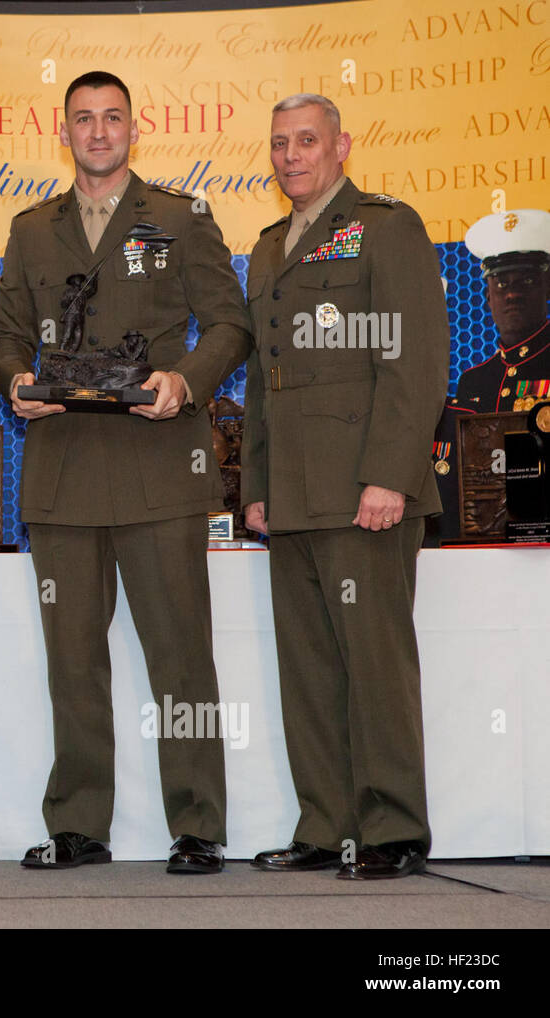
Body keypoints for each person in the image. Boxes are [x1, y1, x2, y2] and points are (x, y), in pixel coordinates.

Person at [0, 71, 251, 874]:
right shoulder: (32, 229)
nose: (98, 132)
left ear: (135, 128)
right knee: (72, 661)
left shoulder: (179, 217)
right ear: (60, 131)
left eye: (111, 118)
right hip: (64, 477)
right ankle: (77, 826)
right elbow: (2, 334)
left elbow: (231, 323)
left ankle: (198, 824)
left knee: (181, 658)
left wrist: (186, 381)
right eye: (83, 120)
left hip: (160, 470)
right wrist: (13, 383)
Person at [241, 94, 449, 879]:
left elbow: (416, 359)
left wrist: (389, 477)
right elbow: (266, 382)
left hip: (365, 491)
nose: (291, 156)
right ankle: (327, 826)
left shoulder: (386, 225)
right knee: (309, 669)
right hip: (291, 498)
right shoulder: (266, 250)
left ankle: (393, 829)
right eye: (279, 144)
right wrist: (255, 484)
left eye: (306, 141)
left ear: (341, 146)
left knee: (375, 665)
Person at [431, 210, 550, 539]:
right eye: (501, 283)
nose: (511, 293)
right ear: (487, 294)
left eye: (525, 281)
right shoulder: (475, 380)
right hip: (484, 543)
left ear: (546, 285)